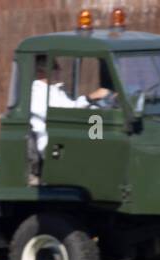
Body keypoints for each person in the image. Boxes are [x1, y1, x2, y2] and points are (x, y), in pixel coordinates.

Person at [28, 55, 110, 186]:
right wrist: (91, 98)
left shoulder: (54, 89)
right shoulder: (36, 92)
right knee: (98, 145)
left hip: (66, 137)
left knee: (97, 125)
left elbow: (72, 108)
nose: (59, 70)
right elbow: (65, 114)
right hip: (55, 145)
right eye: (55, 67)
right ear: (41, 71)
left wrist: (98, 105)